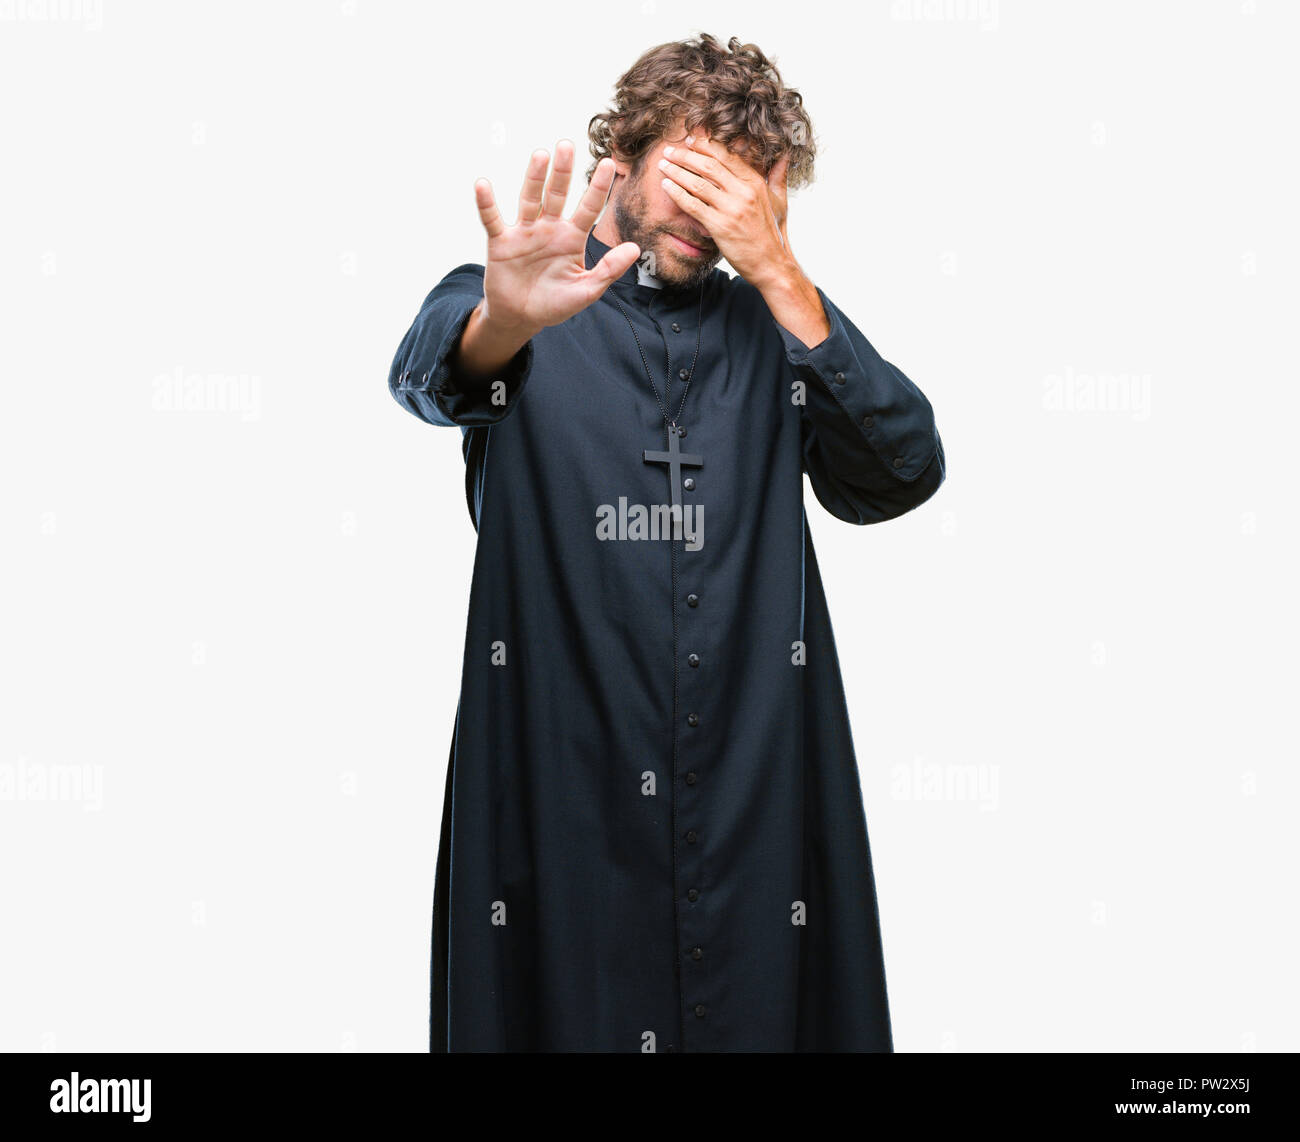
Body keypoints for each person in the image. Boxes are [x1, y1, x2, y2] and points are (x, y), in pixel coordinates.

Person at [388, 33, 945, 1052]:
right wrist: (501, 322)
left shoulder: (781, 324)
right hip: (562, 798)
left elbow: (901, 472)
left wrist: (782, 275)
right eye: (690, 171)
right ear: (630, 149)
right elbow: (430, 372)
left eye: (737, 192)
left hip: (752, 803)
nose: (705, 212)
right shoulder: (517, 300)